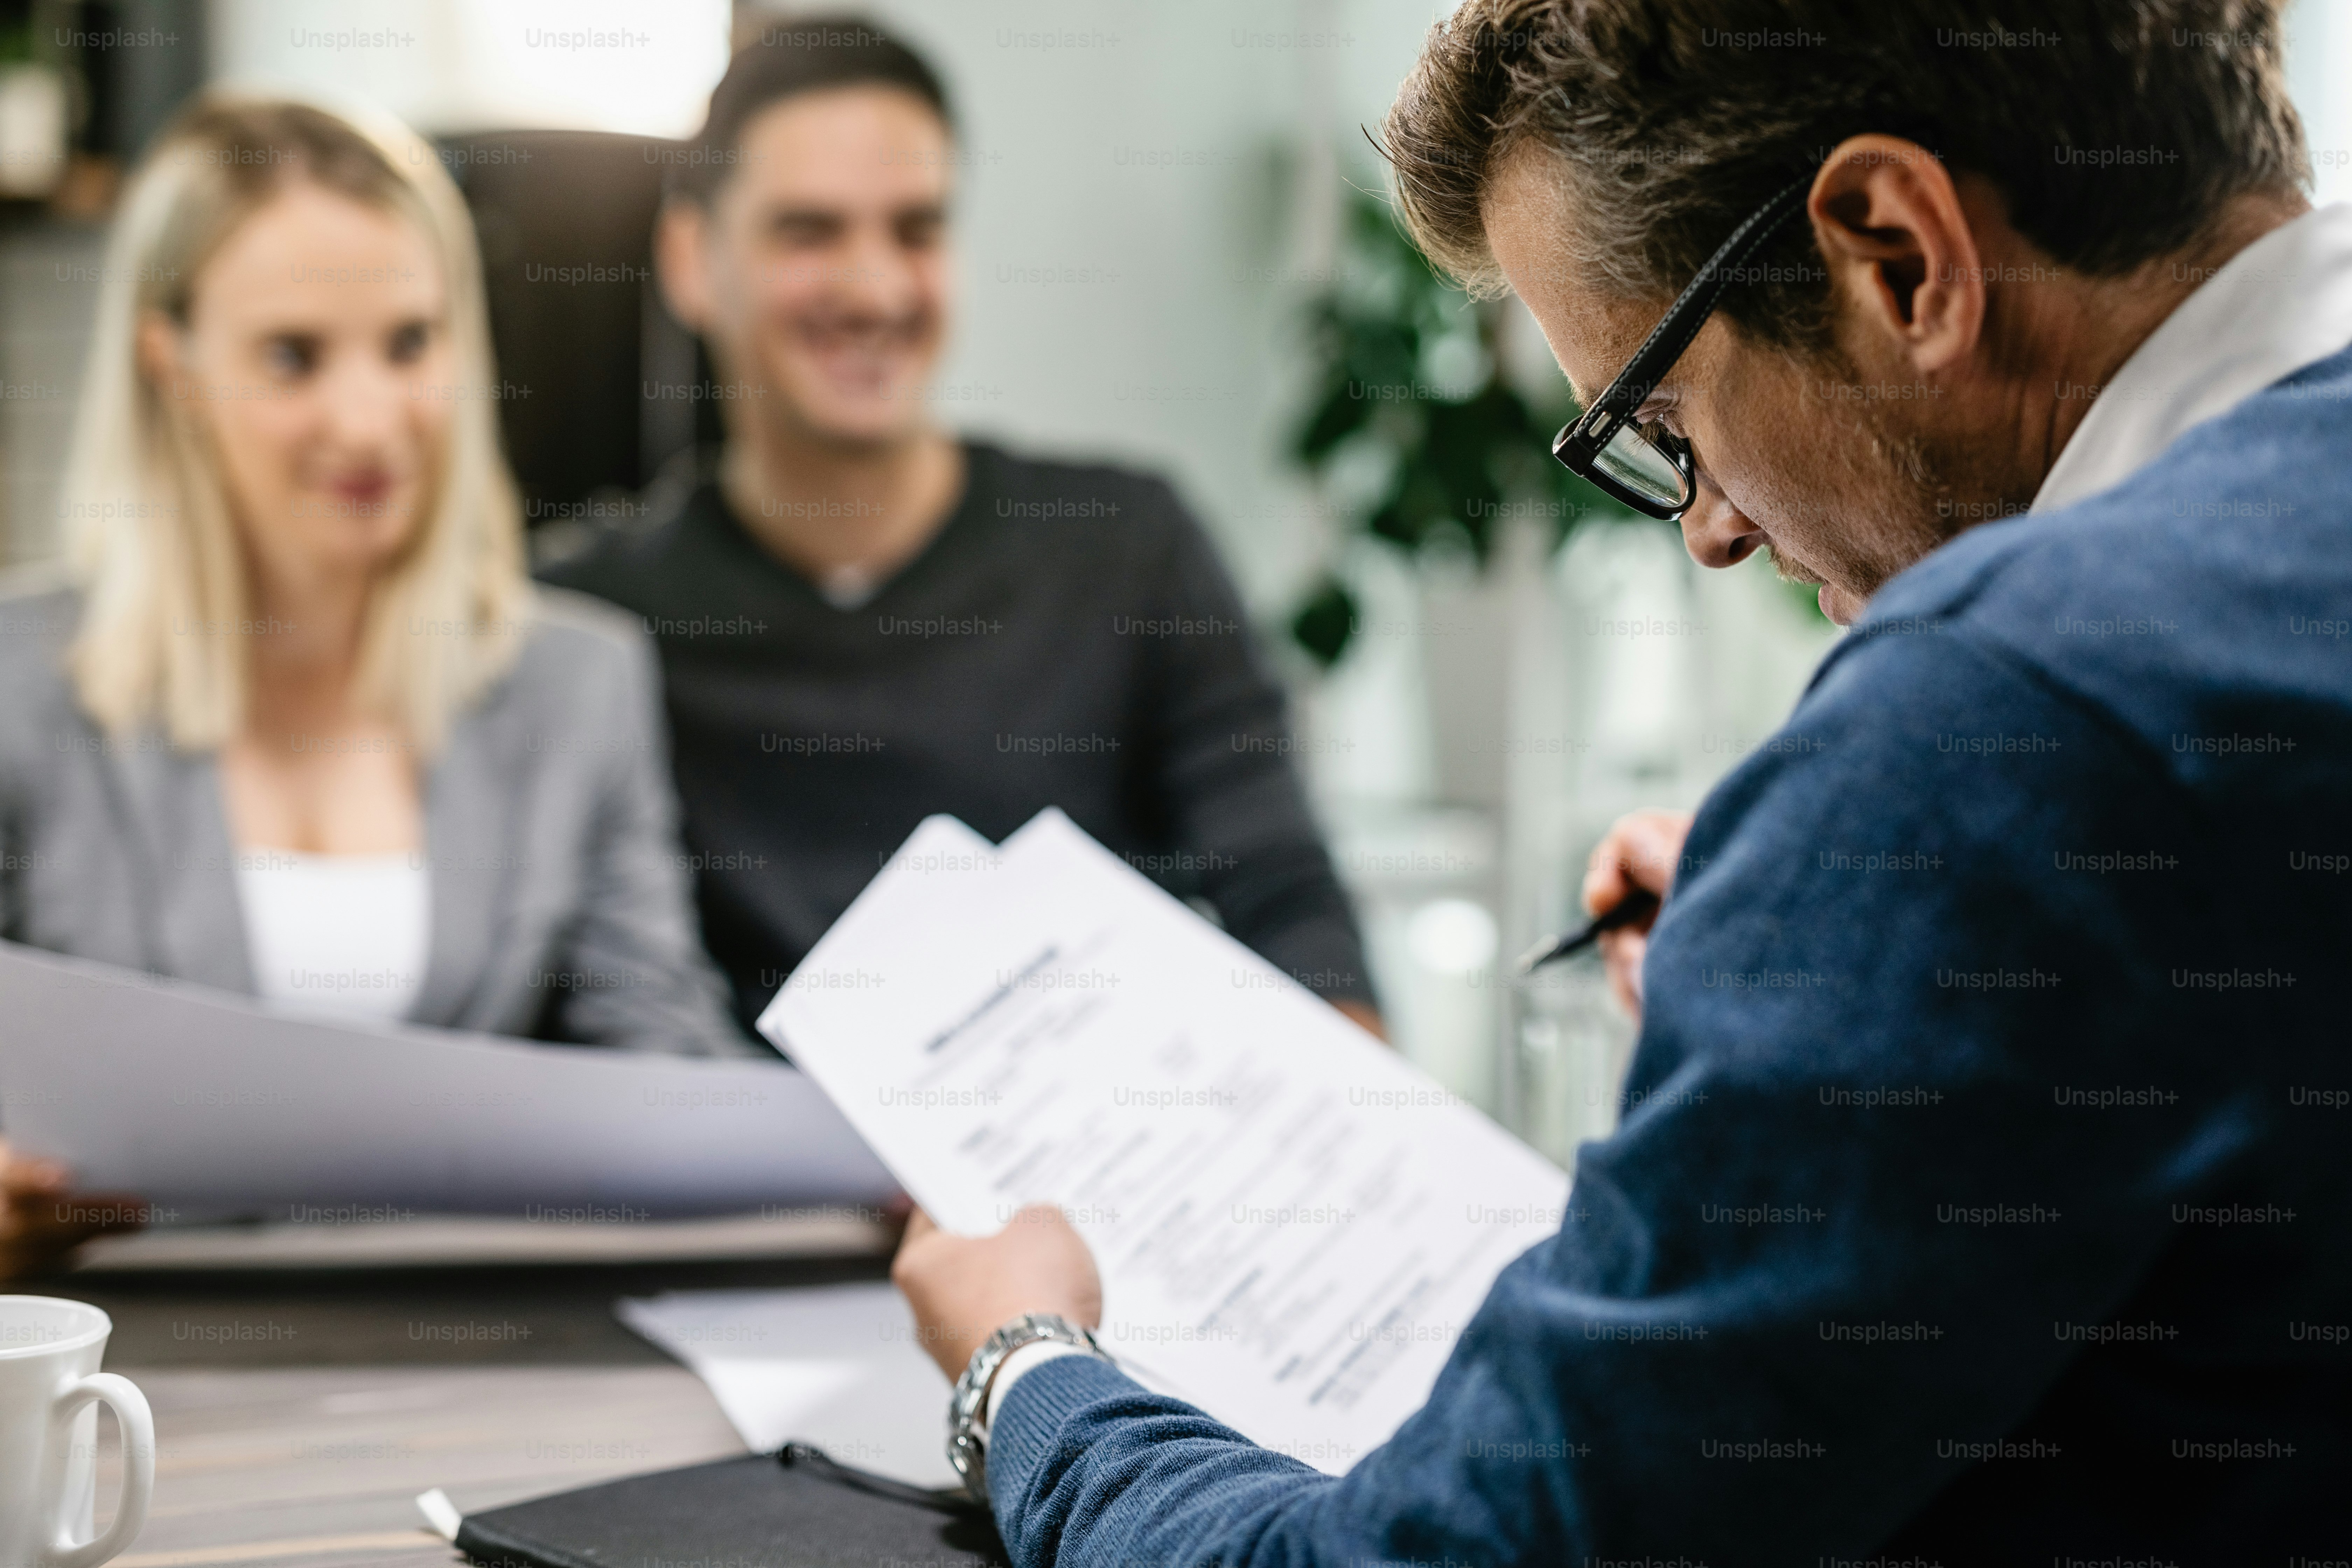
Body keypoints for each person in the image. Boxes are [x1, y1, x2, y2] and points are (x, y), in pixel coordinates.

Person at [889, 2, 2352, 1563]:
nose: (1707, 528)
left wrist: (1027, 1368)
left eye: (1661, 422)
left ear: (1898, 256)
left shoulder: (2007, 710)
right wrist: (1849, 988)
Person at [0, 97, 759, 1280]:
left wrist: (873, 1145)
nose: (369, 423)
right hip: (127, 1363)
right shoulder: (19, 685)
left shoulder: (576, 684)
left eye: (411, 344)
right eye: (294, 357)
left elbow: (669, 1068)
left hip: (469, 1366)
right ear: (176, 367)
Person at [542, 22, 1381, 1040]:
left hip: (1078, 1169)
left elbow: (1289, 905)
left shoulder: (1126, 550)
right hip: (760, 1187)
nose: (876, 289)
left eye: (917, 230)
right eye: (810, 232)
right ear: (691, 258)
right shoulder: (592, 621)